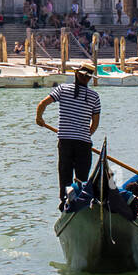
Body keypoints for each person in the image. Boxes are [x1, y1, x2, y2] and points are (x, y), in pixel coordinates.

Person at [35, 65, 101, 206]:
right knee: (81, 179)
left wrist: (39, 118)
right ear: (89, 78)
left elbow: (42, 104)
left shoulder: (62, 89)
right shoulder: (95, 96)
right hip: (83, 143)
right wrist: (84, 134)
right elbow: (95, 123)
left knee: (65, 176)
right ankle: (78, 201)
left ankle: (65, 201)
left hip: (65, 141)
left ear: (76, 74)